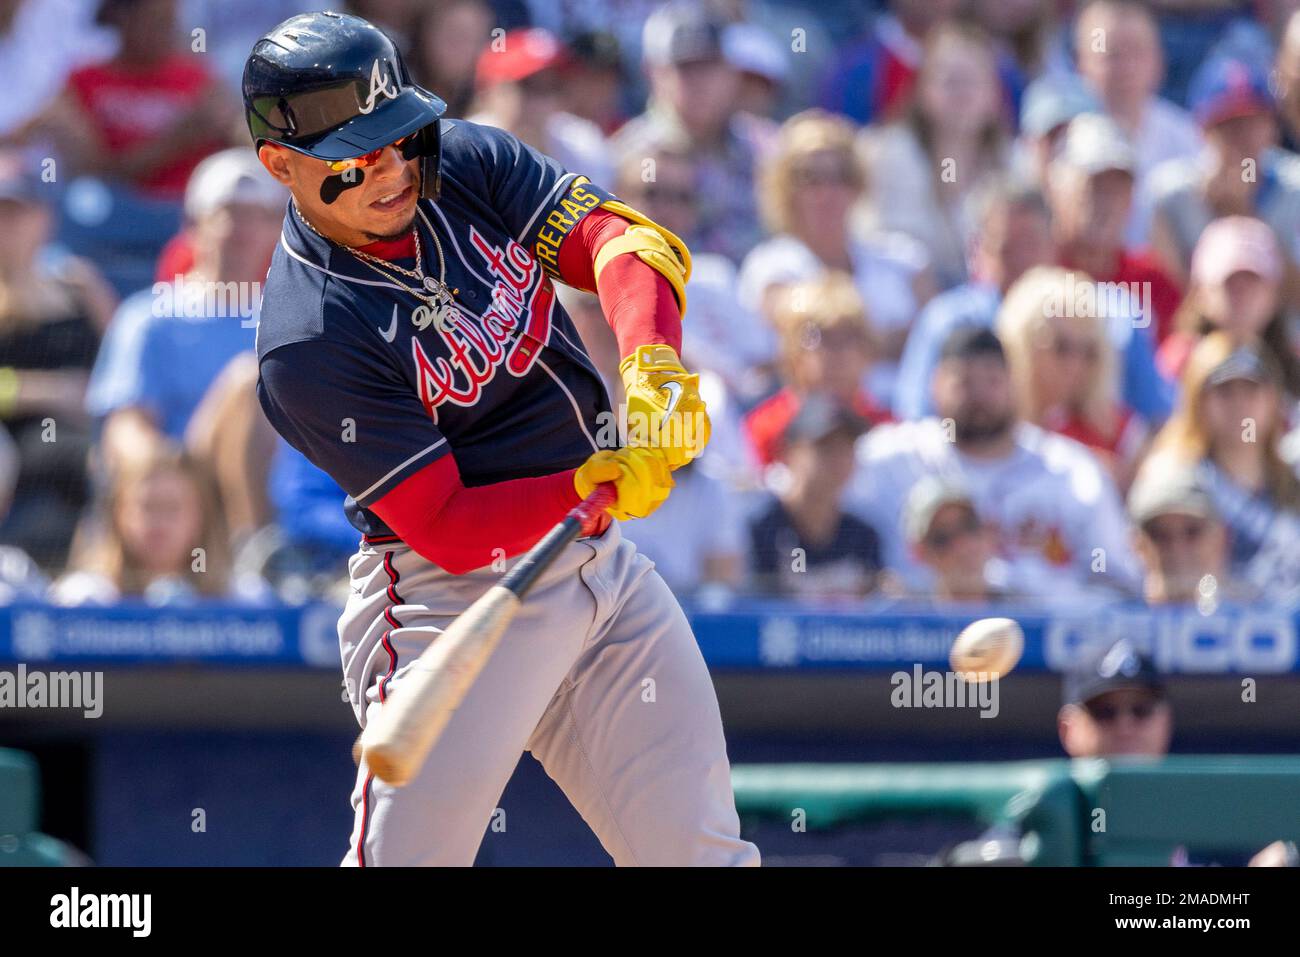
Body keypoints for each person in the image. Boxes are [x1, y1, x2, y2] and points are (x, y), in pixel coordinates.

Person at [245, 12, 757, 867]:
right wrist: (585, 481)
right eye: (355, 158)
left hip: (601, 573)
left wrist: (651, 362)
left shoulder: (468, 164)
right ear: (281, 166)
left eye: (400, 138)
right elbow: (443, 519)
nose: (392, 170)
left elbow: (625, 242)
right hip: (453, 601)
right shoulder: (307, 340)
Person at [850, 325, 1140, 598]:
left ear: (1014, 385)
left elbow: (1116, 583)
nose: (979, 396)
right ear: (935, 385)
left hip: (1045, 639)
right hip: (917, 638)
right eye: (964, 382)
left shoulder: (1071, 471)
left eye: (992, 381)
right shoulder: (890, 458)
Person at [86, 148, 286, 473]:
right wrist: (169, 480)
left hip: (276, 498)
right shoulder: (147, 318)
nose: (243, 230)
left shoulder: (292, 321)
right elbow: (126, 428)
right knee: (247, 381)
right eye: (230, 212)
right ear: (193, 224)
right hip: (183, 495)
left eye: (258, 216)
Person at [738, 109, 932, 403]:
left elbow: (934, 339)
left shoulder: (902, 258)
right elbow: (797, 351)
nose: (827, 191)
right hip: (819, 424)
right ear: (786, 188)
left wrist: (847, 340)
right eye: (810, 178)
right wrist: (892, 340)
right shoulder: (771, 266)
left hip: (904, 413)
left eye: (841, 176)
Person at [0, 152, 114, 570]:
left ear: (42, 218)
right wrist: (51, 392)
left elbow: (118, 368)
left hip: (76, 435)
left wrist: (87, 401)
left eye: (17, 212)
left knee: (119, 460)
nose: (7, 225)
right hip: (12, 439)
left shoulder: (79, 287)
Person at [3, 0, 232, 199]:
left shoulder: (201, 80)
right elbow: (101, 175)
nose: (166, 30)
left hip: (179, 212)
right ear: (122, 19)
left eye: (170, 20)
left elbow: (238, 135)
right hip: (103, 211)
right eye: (156, 20)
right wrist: (173, 142)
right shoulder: (85, 80)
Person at [613, 3, 771, 264]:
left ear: (731, 72)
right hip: (667, 289)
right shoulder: (629, 154)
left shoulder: (763, 146)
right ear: (654, 74)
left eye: (709, 66)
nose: (700, 82)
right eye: (685, 67)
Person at [858, 20, 1010, 290]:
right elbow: (884, 251)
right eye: (950, 80)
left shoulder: (1015, 163)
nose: (962, 92)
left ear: (994, 94)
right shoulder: (885, 154)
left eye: (973, 81)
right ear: (922, 90)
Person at [1150, 333, 1300, 603]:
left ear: (1273, 399)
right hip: (1211, 632)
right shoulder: (1174, 482)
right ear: (1198, 401)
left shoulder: (1294, 477)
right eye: (1224, 391)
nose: (1239, 405)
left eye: (1251, 390)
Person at [1149, 55, 1300, 289]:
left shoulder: (1295, 187)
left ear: (1272, 127)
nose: (1243, 136)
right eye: (1228, 124)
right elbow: (1171, 296)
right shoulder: (1172, 193)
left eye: (1253, 122)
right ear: (1204, 131)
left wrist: (1244, 216)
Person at [52, 443, 266, 605]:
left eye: (172, 508)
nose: (159, 523)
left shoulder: (241, 598)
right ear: (118, 514)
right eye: (147, 506)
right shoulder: (84, 597)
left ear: (201, 517)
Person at [995, 266, 1148, 488]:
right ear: (1021, 344)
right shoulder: (990, 423)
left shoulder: (1118, 432)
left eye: (1088, 351)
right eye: (1061, 347)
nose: (1075, 364)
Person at [1071, 0, 1204, 247]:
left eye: (1137, 52)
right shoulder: (1059, 139)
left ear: (1159, 61)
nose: (1126, 68)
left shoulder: (1187, 136)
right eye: (1112, 55)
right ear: (1081, 63)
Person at [1046, 112, 1183, 346]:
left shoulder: (1152, 279)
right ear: (1057, 189)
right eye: (1094, 186)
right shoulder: (1037, 272)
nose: (1106, 202)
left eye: (1118, 188)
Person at [744, 273, 891, 469]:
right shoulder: (765, 431)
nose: (840, 352)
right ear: (793, 349)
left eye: (851, 336)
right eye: (822, 337)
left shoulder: (886, 428)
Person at [749, 397, 882, 601]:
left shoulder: (863, 536)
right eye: (825, 447)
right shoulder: (763, 530)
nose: (838, 459)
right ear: (788, 452)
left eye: (847, 447)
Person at [1156, 215, 1300, 393]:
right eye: (1229, 282)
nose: (1242, 293)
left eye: (1252, 280)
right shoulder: (1175, 365)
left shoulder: (1293, 367)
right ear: (1201, 291)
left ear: (1274, 293)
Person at [467, 27, 612, 188]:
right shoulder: (464, 147)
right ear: (489, 91)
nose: (541, 102)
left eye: (552, 86)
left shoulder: (583, 145)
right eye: (530, 86)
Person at [1127, 456, 1246, 608]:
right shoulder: (1108, 624)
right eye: (1159, 535)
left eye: (1193, 531)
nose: (1177, 548)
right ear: (1138, 545)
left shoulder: (1261, 617)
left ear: (1222, 538)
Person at [1058, 638, 1172, 759]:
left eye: (1141, 711)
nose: (1125, 728)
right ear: (1067, 730)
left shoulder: (1191, 778)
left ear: (1165, 722)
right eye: (1105, 712)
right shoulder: (1045, 777)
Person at [903, 475, 1006, 603]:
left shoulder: (1028, 612)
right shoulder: (905, 620)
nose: (962, 547)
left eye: (970, 526)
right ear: (919, 552)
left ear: (990, 534)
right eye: (942, 538)